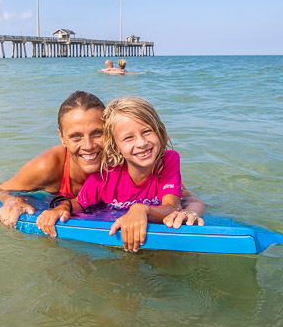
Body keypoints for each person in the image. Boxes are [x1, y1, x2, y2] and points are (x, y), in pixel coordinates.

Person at [46, 97, 184, 252]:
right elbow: (80, 203)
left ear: (159, 131)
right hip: (112, 231)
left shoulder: (168, 161)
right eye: (128, 138)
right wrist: (62, 208)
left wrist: (141, 210)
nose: (141, 143)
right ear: (115, 146)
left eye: (147, 131)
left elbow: (172, 207)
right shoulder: (105, 174)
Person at [0, 91, 106, 230]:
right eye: (76, 136)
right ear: (62, 138)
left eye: (97, 133)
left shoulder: (127, 160)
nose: (88, 146)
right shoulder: (49, 165)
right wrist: (10, 201)